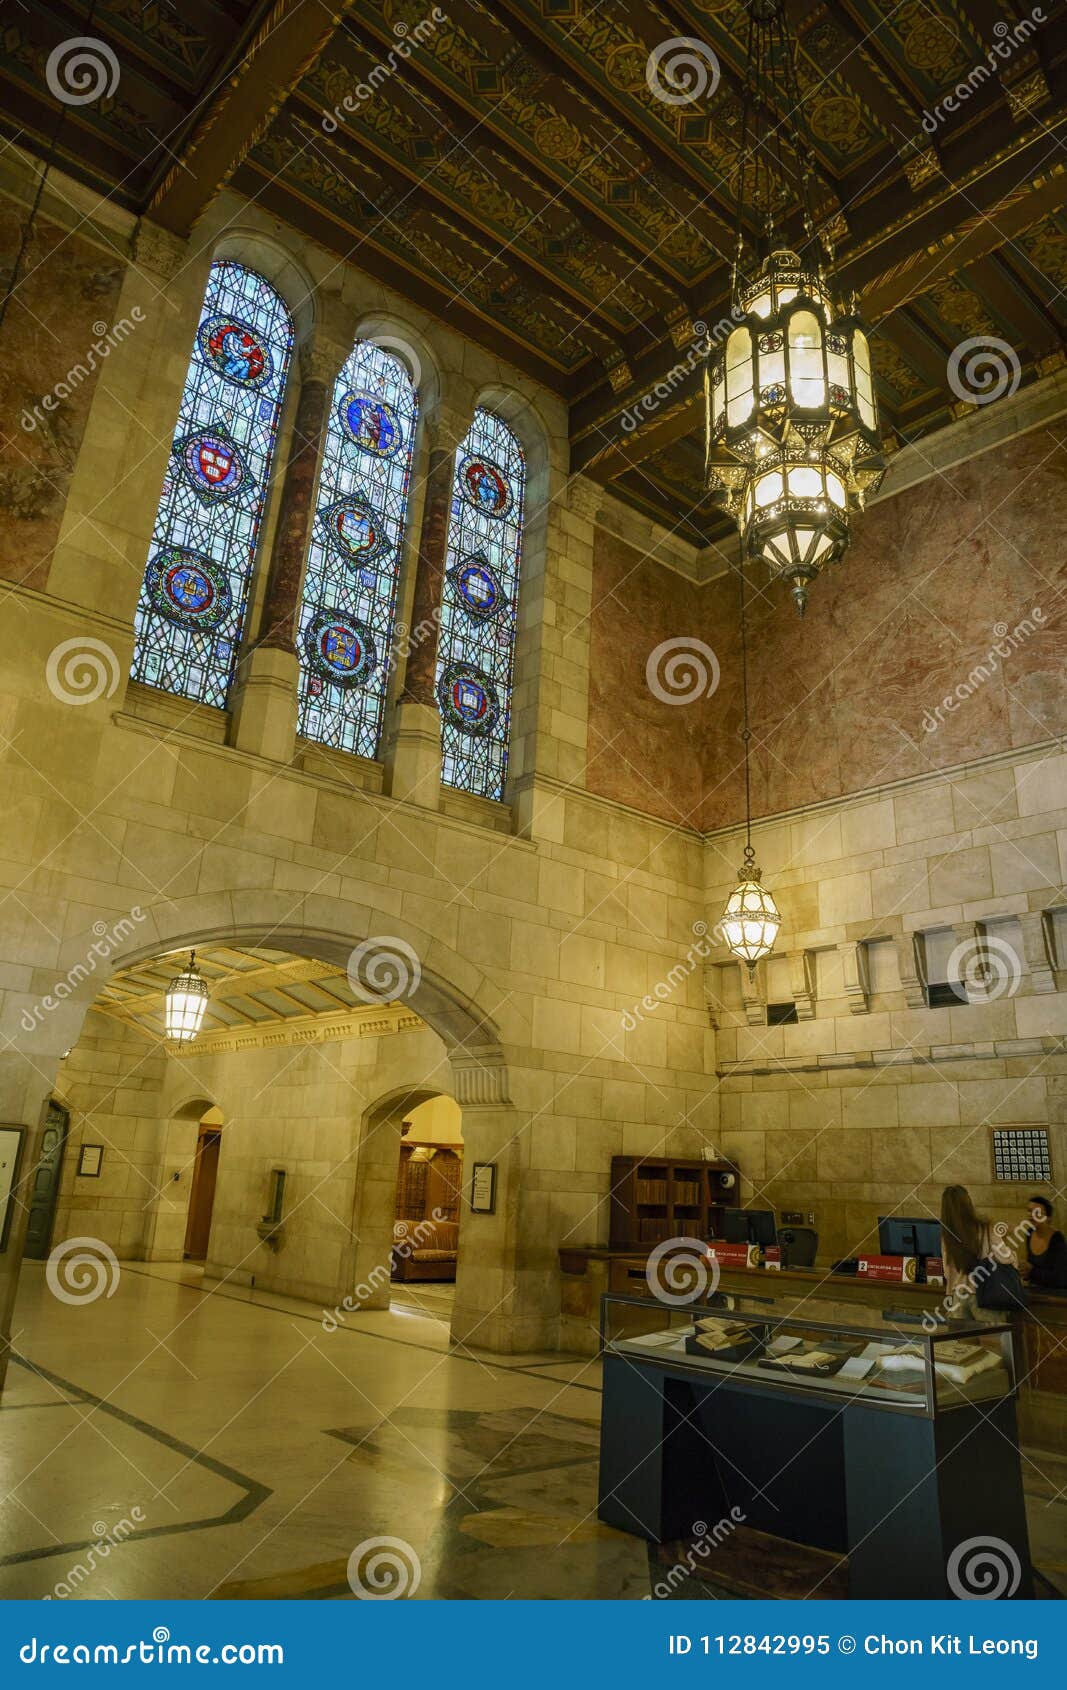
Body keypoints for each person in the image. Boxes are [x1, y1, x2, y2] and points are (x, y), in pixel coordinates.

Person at [939, 1184, 1016, 1299]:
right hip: (985, 1295)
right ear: (968, 1203)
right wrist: (1012, 1253)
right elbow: (1005, 1259)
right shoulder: (986, 1229)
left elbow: (947, 1272)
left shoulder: (947, 1236)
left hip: (958, 1297)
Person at [1024, 1195, 1067, 1291]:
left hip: (1054, 1295)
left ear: (1048, 1217)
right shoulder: (1029, 1233)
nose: (1031, 1215)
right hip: (1035, 1291)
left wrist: (1031, 1272)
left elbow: (1061, 1278)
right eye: (1029, 1211)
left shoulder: (1057, 1240)